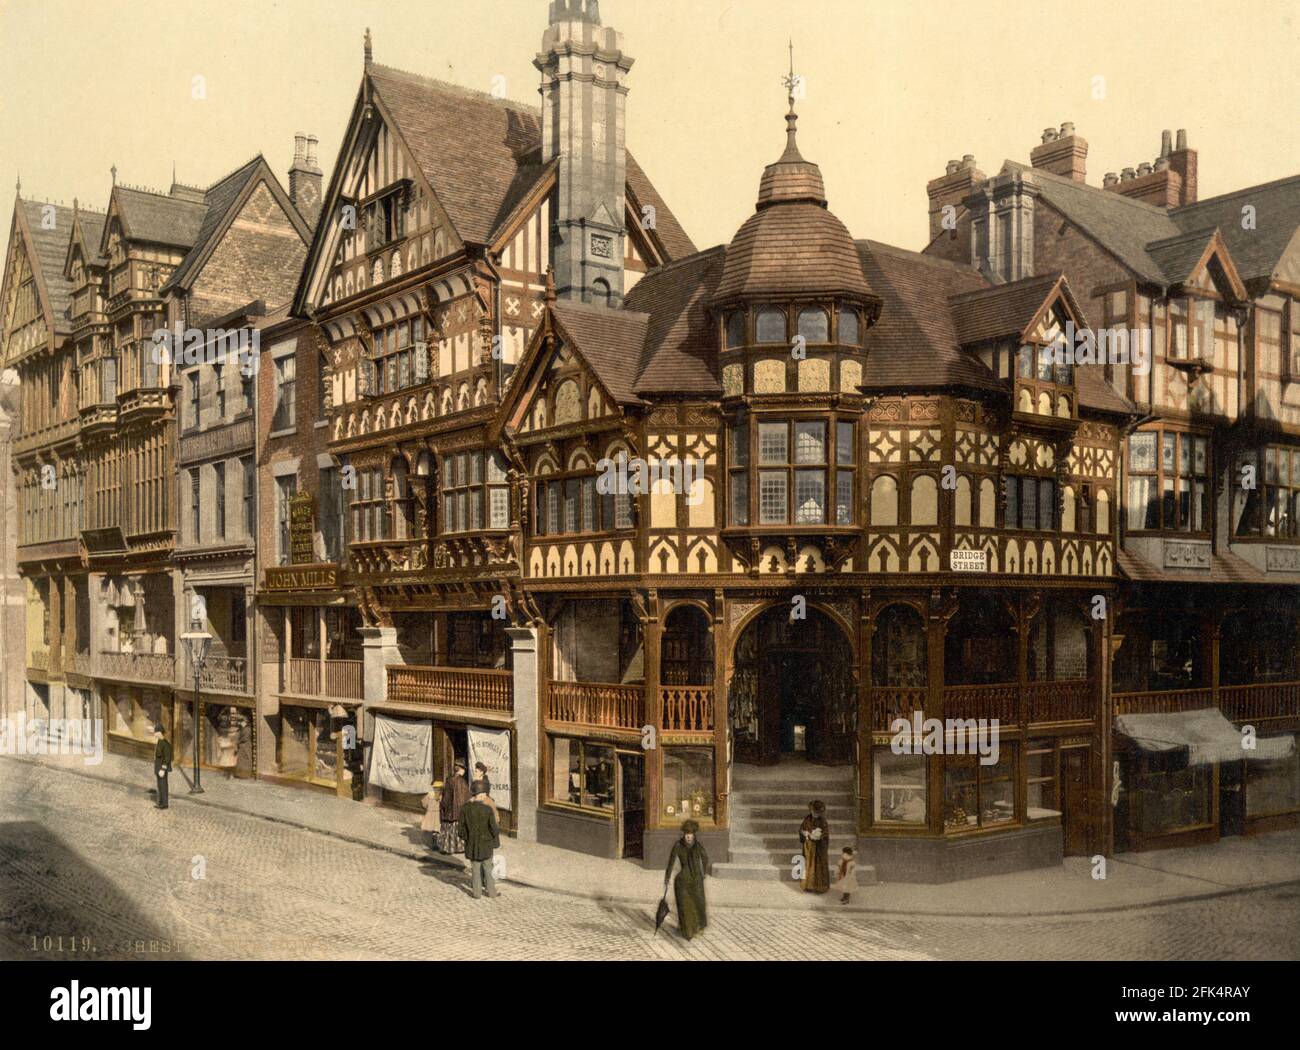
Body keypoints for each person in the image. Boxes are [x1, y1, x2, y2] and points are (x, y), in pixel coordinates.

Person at [663, 819, 709, 939]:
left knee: (699, 903)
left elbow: (705, 859)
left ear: (694, 835)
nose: (688, 837)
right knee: (684, 905)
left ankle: (700, 926)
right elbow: (671, 862)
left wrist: (703, 872)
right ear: (684, 834)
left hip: (696, 879)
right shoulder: (678, 845)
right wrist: (667, 878)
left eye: (690, 834)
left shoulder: (698, 846)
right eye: (686, 834)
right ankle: (685, 927)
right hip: (682, 880)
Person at [458, 780, 501, 900]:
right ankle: (492, 893)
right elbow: (494, 829)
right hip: (486, 844)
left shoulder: (465, 809)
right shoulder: (487, 809)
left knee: (475, 869)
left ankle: (477, 893)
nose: (486, 796)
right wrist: (494, 839)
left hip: (472, 844)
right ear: (481, 794)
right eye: (485, 794)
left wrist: (468, 838)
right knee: (488, 867)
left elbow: (460, 830)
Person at [438, 760, 470, 854]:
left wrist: (443, 806)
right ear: (461, 770)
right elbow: (467, 797)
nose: (464, 771)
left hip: (450, 811)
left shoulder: (449, 780)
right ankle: (460, 848)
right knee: (457, 829)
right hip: (460, 811)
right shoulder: (463, 782)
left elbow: (446, 798)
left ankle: (448, 848)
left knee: (449, 829)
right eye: (464, 769)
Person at [799, 800, 830, 893]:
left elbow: (826, 833)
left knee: (819, 866)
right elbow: (802, 829)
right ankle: (808, 885)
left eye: (817, 813)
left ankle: (820, 887)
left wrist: (819, 836)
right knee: (808, 864)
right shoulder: (807, 819)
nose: (814, 814)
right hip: (809, 847)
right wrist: (804, 833)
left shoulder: (823, 821)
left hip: (819, 848)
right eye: (813, 812)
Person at [152, 725, 172, 810]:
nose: (155, 734)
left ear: (160, 733)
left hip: (161, 769)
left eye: (156, 732)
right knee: (160, 785)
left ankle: (165, 804)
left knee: (163, 785)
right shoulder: (159, 742)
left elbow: (167, 758)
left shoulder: (165, 744)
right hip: (158, 767)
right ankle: (160, 802)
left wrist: (163, 769)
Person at [420, 781, 443, 850]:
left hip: (430, 813)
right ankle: (435, 844)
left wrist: (427, 807)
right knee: (436, 829)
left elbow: (423, 802)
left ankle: (427, 843)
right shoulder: (442, 795)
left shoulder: (430, 794)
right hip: (438, 814)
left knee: (428, 829)